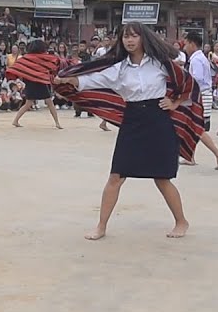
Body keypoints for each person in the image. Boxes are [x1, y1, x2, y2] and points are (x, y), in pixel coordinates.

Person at [52, 23, 203, 240]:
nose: (129, 41)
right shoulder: (119, 68)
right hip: (132, 122)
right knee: (116, 176)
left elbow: (188, 83)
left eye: (134, 36)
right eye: (125, 37)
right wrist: (67, 79)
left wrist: (175, 102)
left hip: (158, 121)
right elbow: (89, 81)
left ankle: (181, 221)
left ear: (143, 38)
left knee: (162, 178)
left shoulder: (160, 64)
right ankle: (101, 227)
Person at [179, 32, 218, 169]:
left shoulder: (196, 60)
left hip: (200, 95)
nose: (184, 47)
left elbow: (197, 80)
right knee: (191, 127)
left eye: (186, 43)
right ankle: (190, 156)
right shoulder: (200, 58)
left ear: (192, 44)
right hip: (202, 94)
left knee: (197, 128)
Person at [6, 39, 64, 129]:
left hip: (31, 82)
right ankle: (57, 122)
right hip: (42, 81)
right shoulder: (46, 57)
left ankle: (15, 120)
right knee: (49, 102)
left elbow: (17, 66)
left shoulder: (26, 57)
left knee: (28, 103)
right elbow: (55, 64)